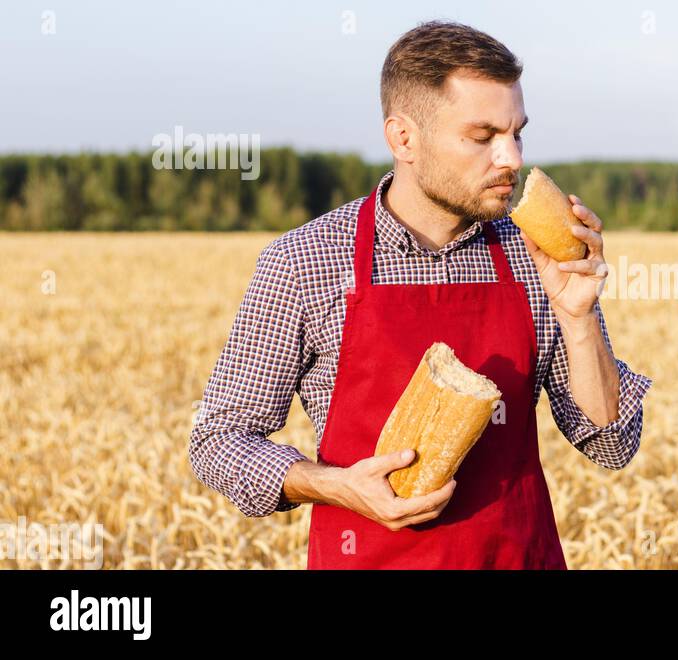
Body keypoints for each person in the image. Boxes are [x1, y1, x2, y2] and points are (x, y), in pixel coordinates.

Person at [188, 20, 652, 569]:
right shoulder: (304, 261)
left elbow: (610, 443)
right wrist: (336, 486)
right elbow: (219, 439)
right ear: (403, 138)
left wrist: (579, 317)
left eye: (516, 132)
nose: (512, 159)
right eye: (482, 137)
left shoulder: (535, 259)